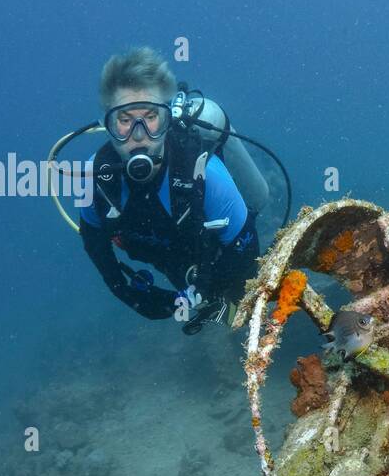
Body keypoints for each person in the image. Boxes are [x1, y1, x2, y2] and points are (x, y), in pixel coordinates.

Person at [79, 47, 269, 333]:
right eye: (125, 120)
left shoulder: (206, 174)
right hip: (173, 261)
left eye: (150, 117)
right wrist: (127, 293)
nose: (139, 135)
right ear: (108, 126)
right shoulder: (95, 180)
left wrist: (204, 292)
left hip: (212, 258)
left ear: (167, 120)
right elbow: (93, 241)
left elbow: (246, 255)